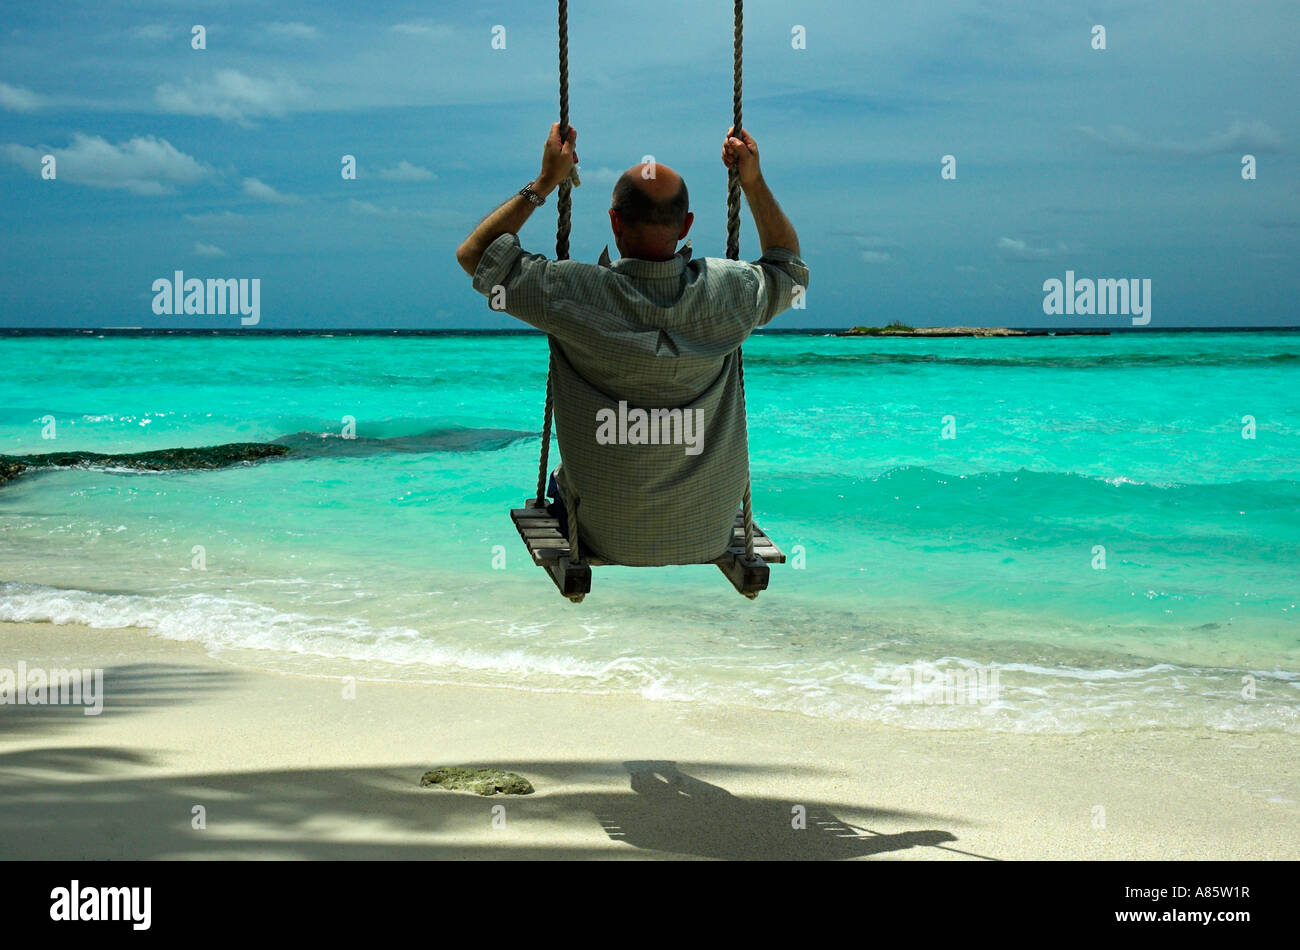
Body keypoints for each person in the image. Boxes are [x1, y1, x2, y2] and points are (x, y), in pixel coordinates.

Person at [456, 123, 808, 566]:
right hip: (709, 533)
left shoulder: (570, 292)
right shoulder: (731, 290)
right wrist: (752, 184)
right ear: (686, 226)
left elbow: (474, 256)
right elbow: (791, 273)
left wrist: (544, 182)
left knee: (560, 484)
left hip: (604, 537)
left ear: (614, 222)